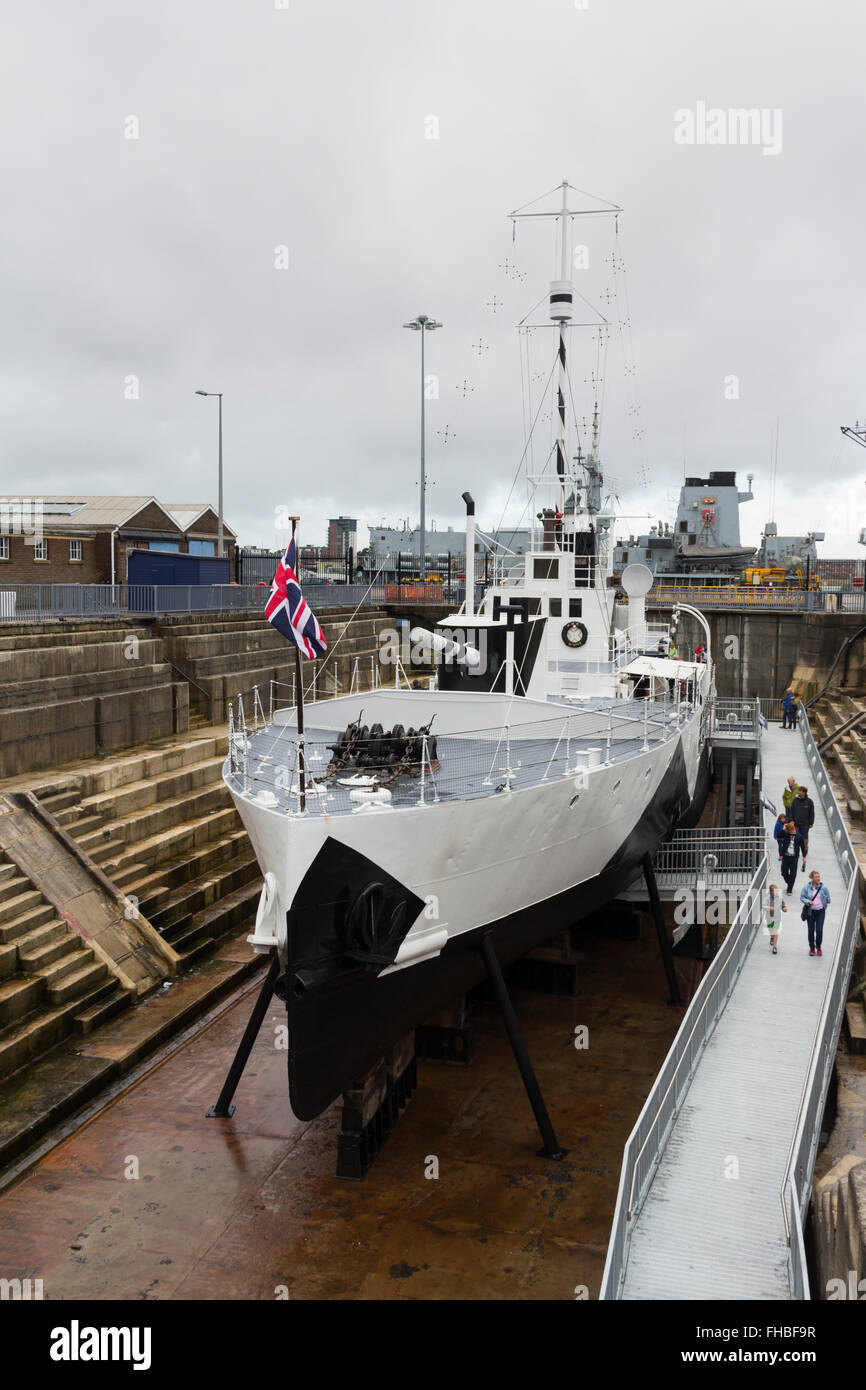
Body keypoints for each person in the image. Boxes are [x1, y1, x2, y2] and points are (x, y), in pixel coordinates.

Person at [800, 871, 830, 956]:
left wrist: (824, 897)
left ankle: (819, 947)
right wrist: (808, 901)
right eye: (816, 877)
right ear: (812, 878)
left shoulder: (824, 888)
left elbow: (829, 900)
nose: (818, 878)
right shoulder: (806, 887)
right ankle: (812, 948)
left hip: (820, 912)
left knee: (819, 930)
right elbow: (802, 897)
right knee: (811, 930)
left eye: (819, 877)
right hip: (810, 912)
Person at [789, 785, 815, 869]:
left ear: (803, 792)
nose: (797, 792)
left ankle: (805, 851)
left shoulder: (809, 802)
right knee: (795, 838)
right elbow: (791, 811)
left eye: (799, 791)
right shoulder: (795, 801)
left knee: (805, 838)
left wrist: (811, 823)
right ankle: (796, 852)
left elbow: (812, 813)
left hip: (805, 824)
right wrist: (791, 820)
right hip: (796, 824)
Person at [779, 819, 804, 894]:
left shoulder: (799, 836)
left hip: (794, 858)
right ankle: (789, 882)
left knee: (793, 874)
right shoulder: (786, 834)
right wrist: (783, 829)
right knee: (784, 872)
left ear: (793, 829)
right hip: (786, 857)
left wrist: (804, 856)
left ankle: (789, 889)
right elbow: (778, 835)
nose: (789, 832)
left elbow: (803, 847)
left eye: (790, 830)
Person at [765, 882, 786, 955]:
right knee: (770, 929)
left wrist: (784, 908)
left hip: (777, 917)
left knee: (775, 931)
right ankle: (771, 937)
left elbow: (783, 904)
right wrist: (769, 908)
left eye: (777, 891)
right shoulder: (767, 898)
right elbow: (763, 906)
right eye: (775, 891)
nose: (776, 892)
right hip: (769, 917)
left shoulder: (779, 898)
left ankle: (775, 946)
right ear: (771, 892)